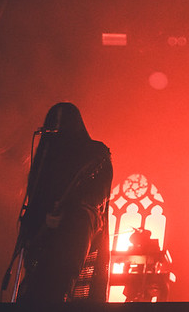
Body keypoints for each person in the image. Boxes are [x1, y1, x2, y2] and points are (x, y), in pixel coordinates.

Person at [13, 102, 113, 303]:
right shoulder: (46, 155)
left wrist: (67, 213)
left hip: (75, 226)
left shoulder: (95, 151)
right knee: (36, 286)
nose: (56, 127)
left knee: (60, 281)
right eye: (53, 122)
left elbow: (100, 192)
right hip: (43, 230)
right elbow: (36, 191)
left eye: (62, 122)